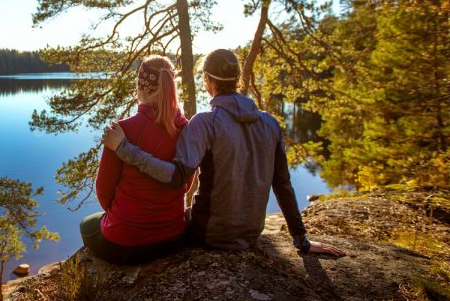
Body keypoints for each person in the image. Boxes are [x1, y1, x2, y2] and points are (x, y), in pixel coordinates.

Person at [102, 49, 345, 256]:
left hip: (209, 235)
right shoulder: (270, 123)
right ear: (237, 79)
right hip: (250, 234)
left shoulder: (205, 123)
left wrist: (125, 149)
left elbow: (175, 178)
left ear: (207, 81)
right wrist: (301, 240)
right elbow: (282, 183)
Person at [80, 55, 191, 264]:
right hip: (174, 237)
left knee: (87, 224)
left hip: (125, 243)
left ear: (141, 86)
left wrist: (128, 219)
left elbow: (104, 192)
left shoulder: (121, 131)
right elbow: (186, 183)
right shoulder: (186, 129)